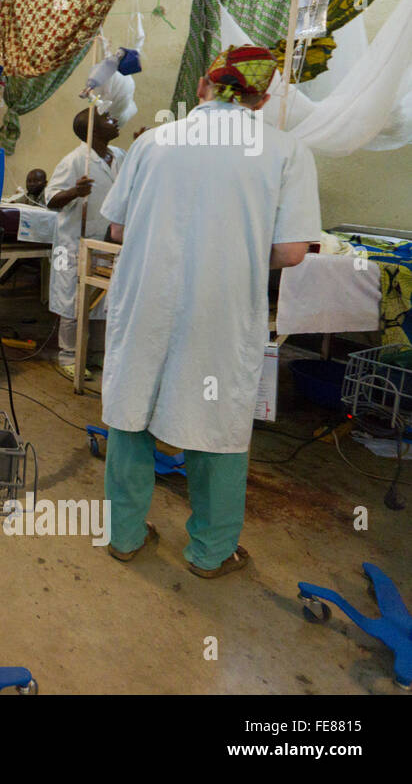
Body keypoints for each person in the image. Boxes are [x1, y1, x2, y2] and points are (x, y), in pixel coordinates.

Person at [98, 45, 319, 578]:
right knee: (216, 421)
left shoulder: (152, 143)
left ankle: (125, 536)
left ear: (203, 86)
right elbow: (292, 252)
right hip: (220, 308)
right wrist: (234, 246)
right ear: (261, 98)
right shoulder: (286, 151)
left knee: (132, 410)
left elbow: (119, 230)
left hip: (146, 298)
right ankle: (211, 552)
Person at [45, 106, 124, 381]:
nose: (114, 120)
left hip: (106, 243)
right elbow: (51, 200)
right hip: (76, 244)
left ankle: (97, 355)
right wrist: (74, 192)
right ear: (92, 130)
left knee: (104, 301)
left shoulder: (119, 156)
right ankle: (68, 356)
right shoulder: (75, 161)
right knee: (74, 302)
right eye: (107, 118)